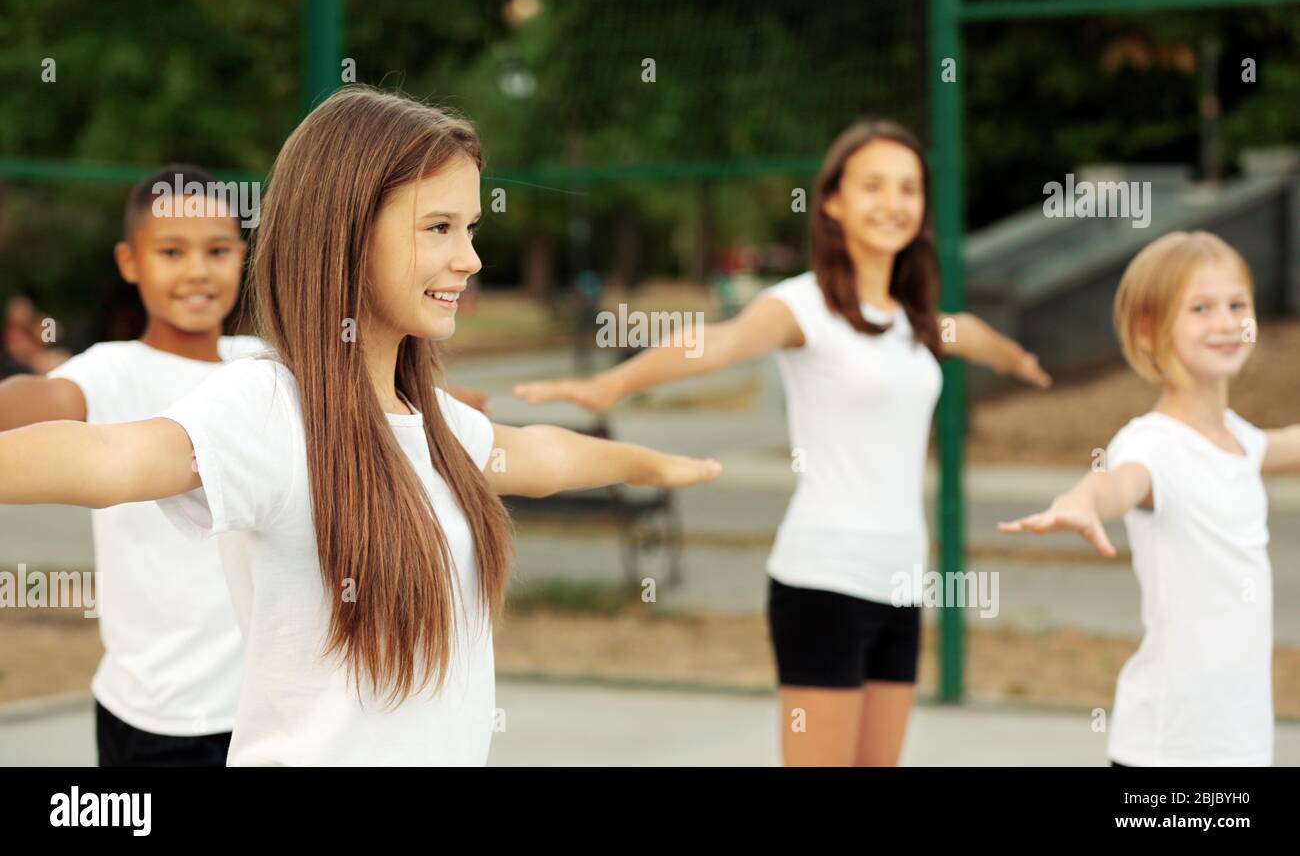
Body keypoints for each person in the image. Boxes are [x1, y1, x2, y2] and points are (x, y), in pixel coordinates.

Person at [0, 86, 720, 765]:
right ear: (342, 233)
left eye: (469, 228)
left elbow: (538, 456)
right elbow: (107, 461)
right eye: (437, 227)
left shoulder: (430, 421)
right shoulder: (266, 406)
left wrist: (647, 464)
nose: (468, 258)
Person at [516, 120, 1051, 766]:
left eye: (908, 188)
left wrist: (1018, 358)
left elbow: (967, 331)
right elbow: (716, 343)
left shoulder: (916, 322)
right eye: (873, 185)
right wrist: (612, 386)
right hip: (824, 580)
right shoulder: (802, 306)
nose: (893, 202)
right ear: (832, 201)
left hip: (902, 582)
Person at [999, 231, 1300, 767]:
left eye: (1237, 305)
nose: (1227, 322)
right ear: (1148, 329)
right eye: (1201, 308)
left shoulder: (1237, 437)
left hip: (1240, 744)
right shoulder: (1152, 443)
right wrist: (1082, 501)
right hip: (1168, 750)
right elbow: (1118, 481)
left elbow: (1286, 443)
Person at [0, 165, 257, 765]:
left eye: (217, 250)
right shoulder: (110, 369)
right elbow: (38, 402)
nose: (197, 270)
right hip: (150, 716)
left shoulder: (265, 365)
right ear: (130, 261)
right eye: (171, 251)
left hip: (263, 709)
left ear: (242, 256)